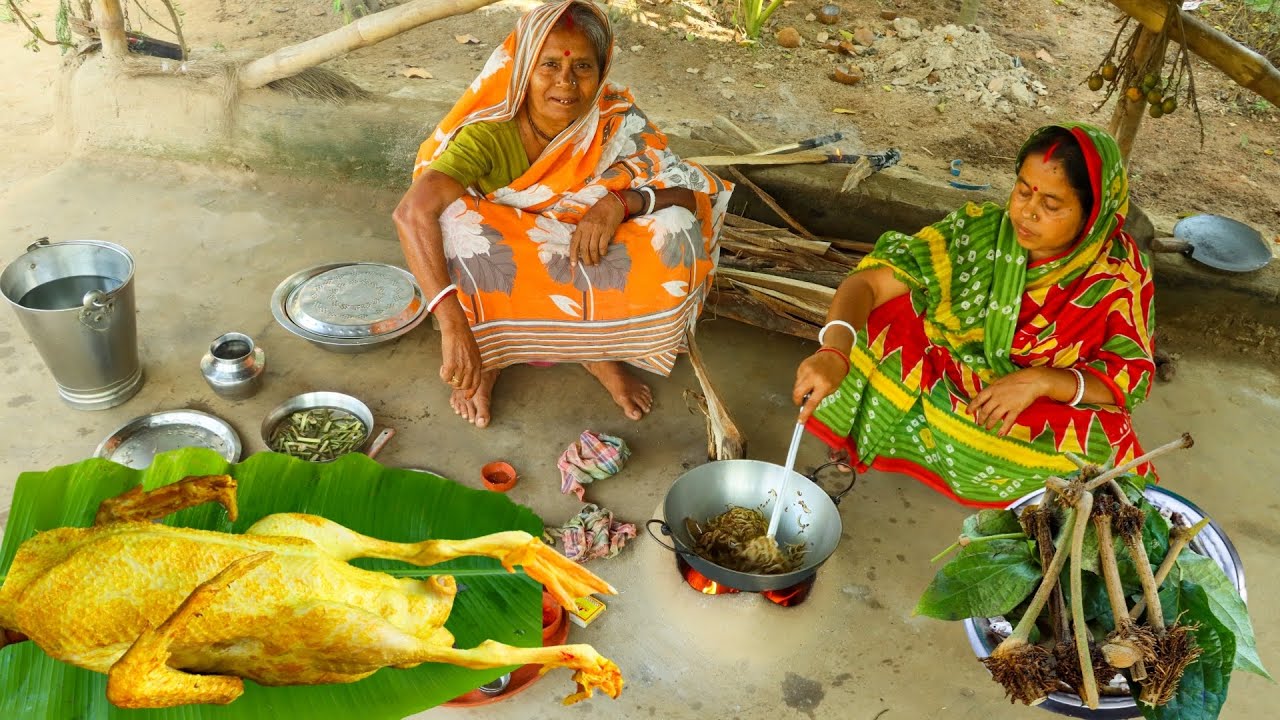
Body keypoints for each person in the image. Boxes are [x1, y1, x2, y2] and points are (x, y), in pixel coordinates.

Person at [395, 0, 732, 428]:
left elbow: (689, 194)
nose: (566, 83)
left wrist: (618, 203)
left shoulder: (614, 121)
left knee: (675, 228)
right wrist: (450, 324)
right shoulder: (489, 134)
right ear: (521, 70)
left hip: (588, 250)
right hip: (516, 260)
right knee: (456, 225)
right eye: (548, 65)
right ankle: (491, 356)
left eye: (583, 68)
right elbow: (411, 213)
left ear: (602, 69)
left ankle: (596, 355)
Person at [792, 123, 1156, 507]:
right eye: (1022, 190)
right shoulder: (978, 232)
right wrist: (833, 351)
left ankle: (1001, 471)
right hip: (954, 369)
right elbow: (867, 285)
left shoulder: (1118, 275)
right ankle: (880, 436)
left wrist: (1042, 381)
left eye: (1051, 205)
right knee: (887, 315)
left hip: (1037, 400)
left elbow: (1129, 377)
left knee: (1100, 451)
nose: (1027, 212)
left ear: (1092, 215)